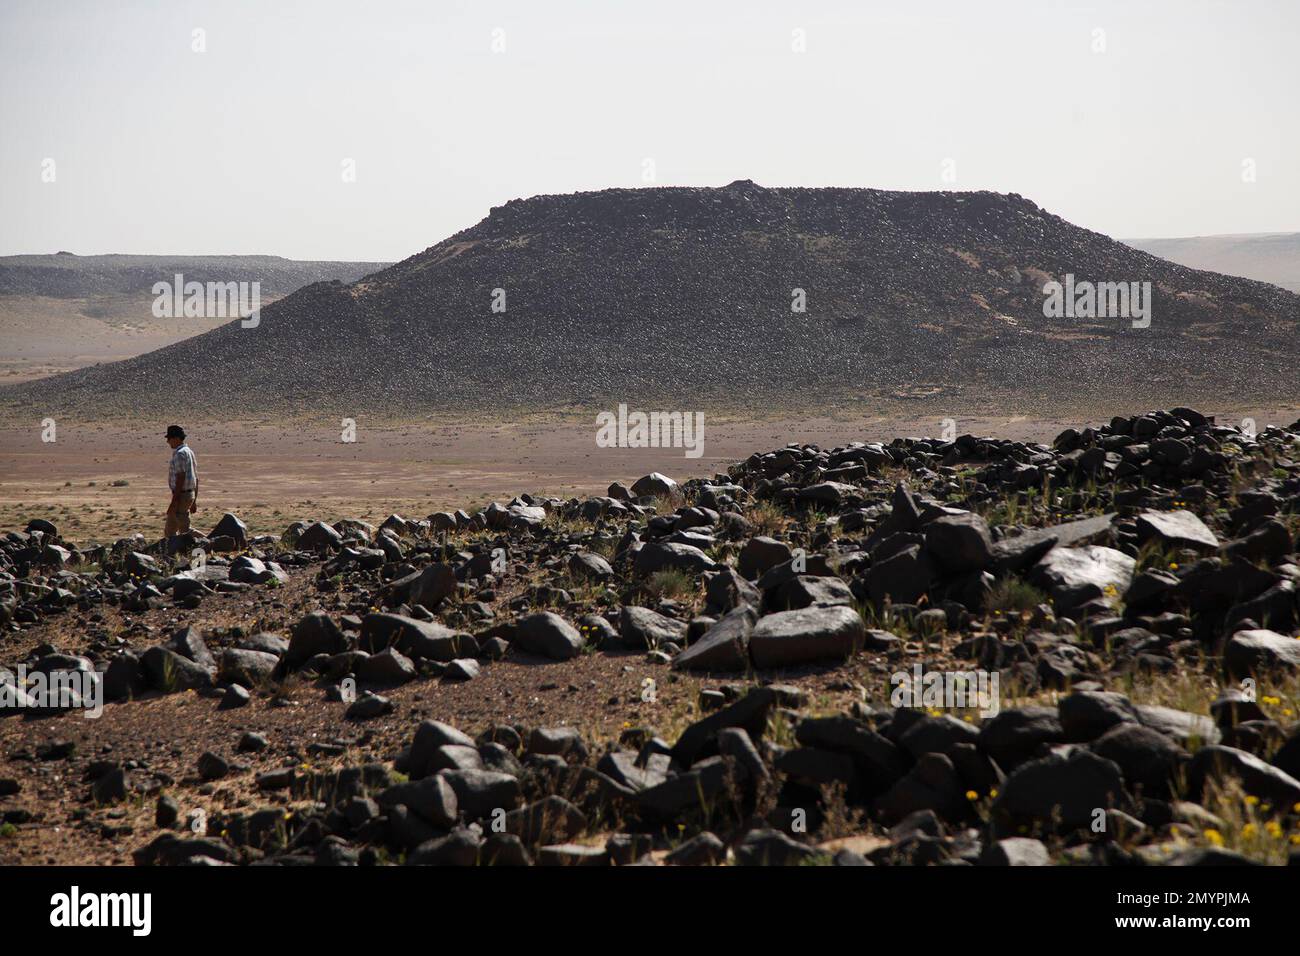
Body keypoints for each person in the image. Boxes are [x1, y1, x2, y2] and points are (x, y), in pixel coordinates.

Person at [164, 425, 198, 537]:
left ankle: (209, 543)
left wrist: (174, 502)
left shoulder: (179, 454)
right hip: (188, 494)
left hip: (181, 496)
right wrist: (194, 500)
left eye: (169, 438)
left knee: (183, 530)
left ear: (176, 438)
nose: (168, 441)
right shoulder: (189, 452)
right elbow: (196, 478)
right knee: (173, 528)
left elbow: (180, 478)